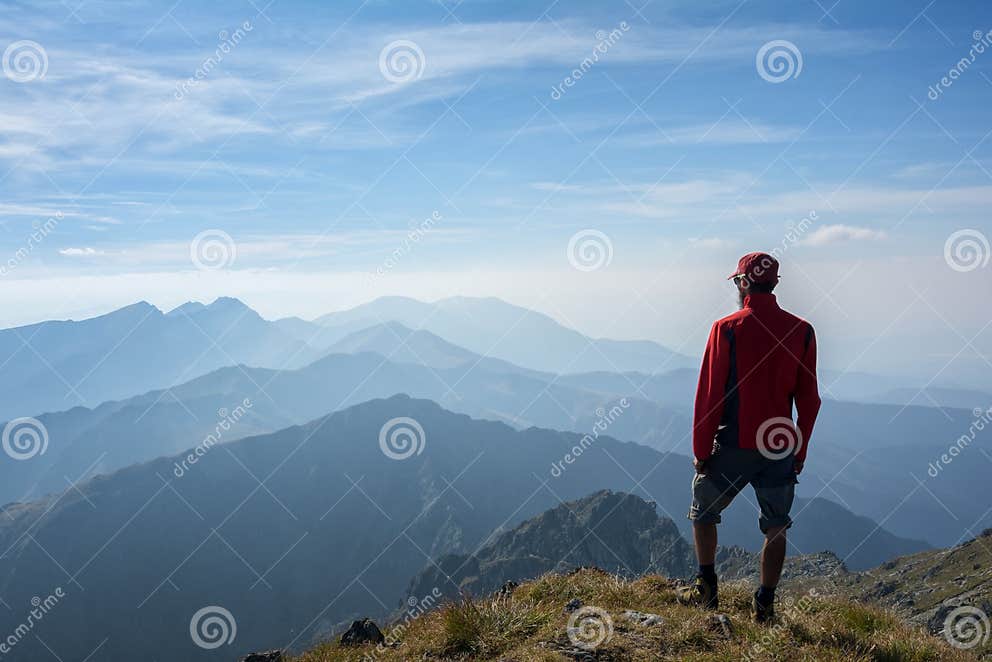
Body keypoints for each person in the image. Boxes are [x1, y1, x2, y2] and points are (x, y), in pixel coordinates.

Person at [681, 252, 821, 623]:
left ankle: (707, 587)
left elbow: (709, 395)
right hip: (779, 445)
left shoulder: (726, 328)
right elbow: (809, 400)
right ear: (774, 283)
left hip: (734, 442)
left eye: (736, 281)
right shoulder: (803, 331)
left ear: (743, 283)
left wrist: (700, 449)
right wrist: (800, 450)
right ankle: (765, 602)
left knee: (703, 510)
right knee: (776, 523)